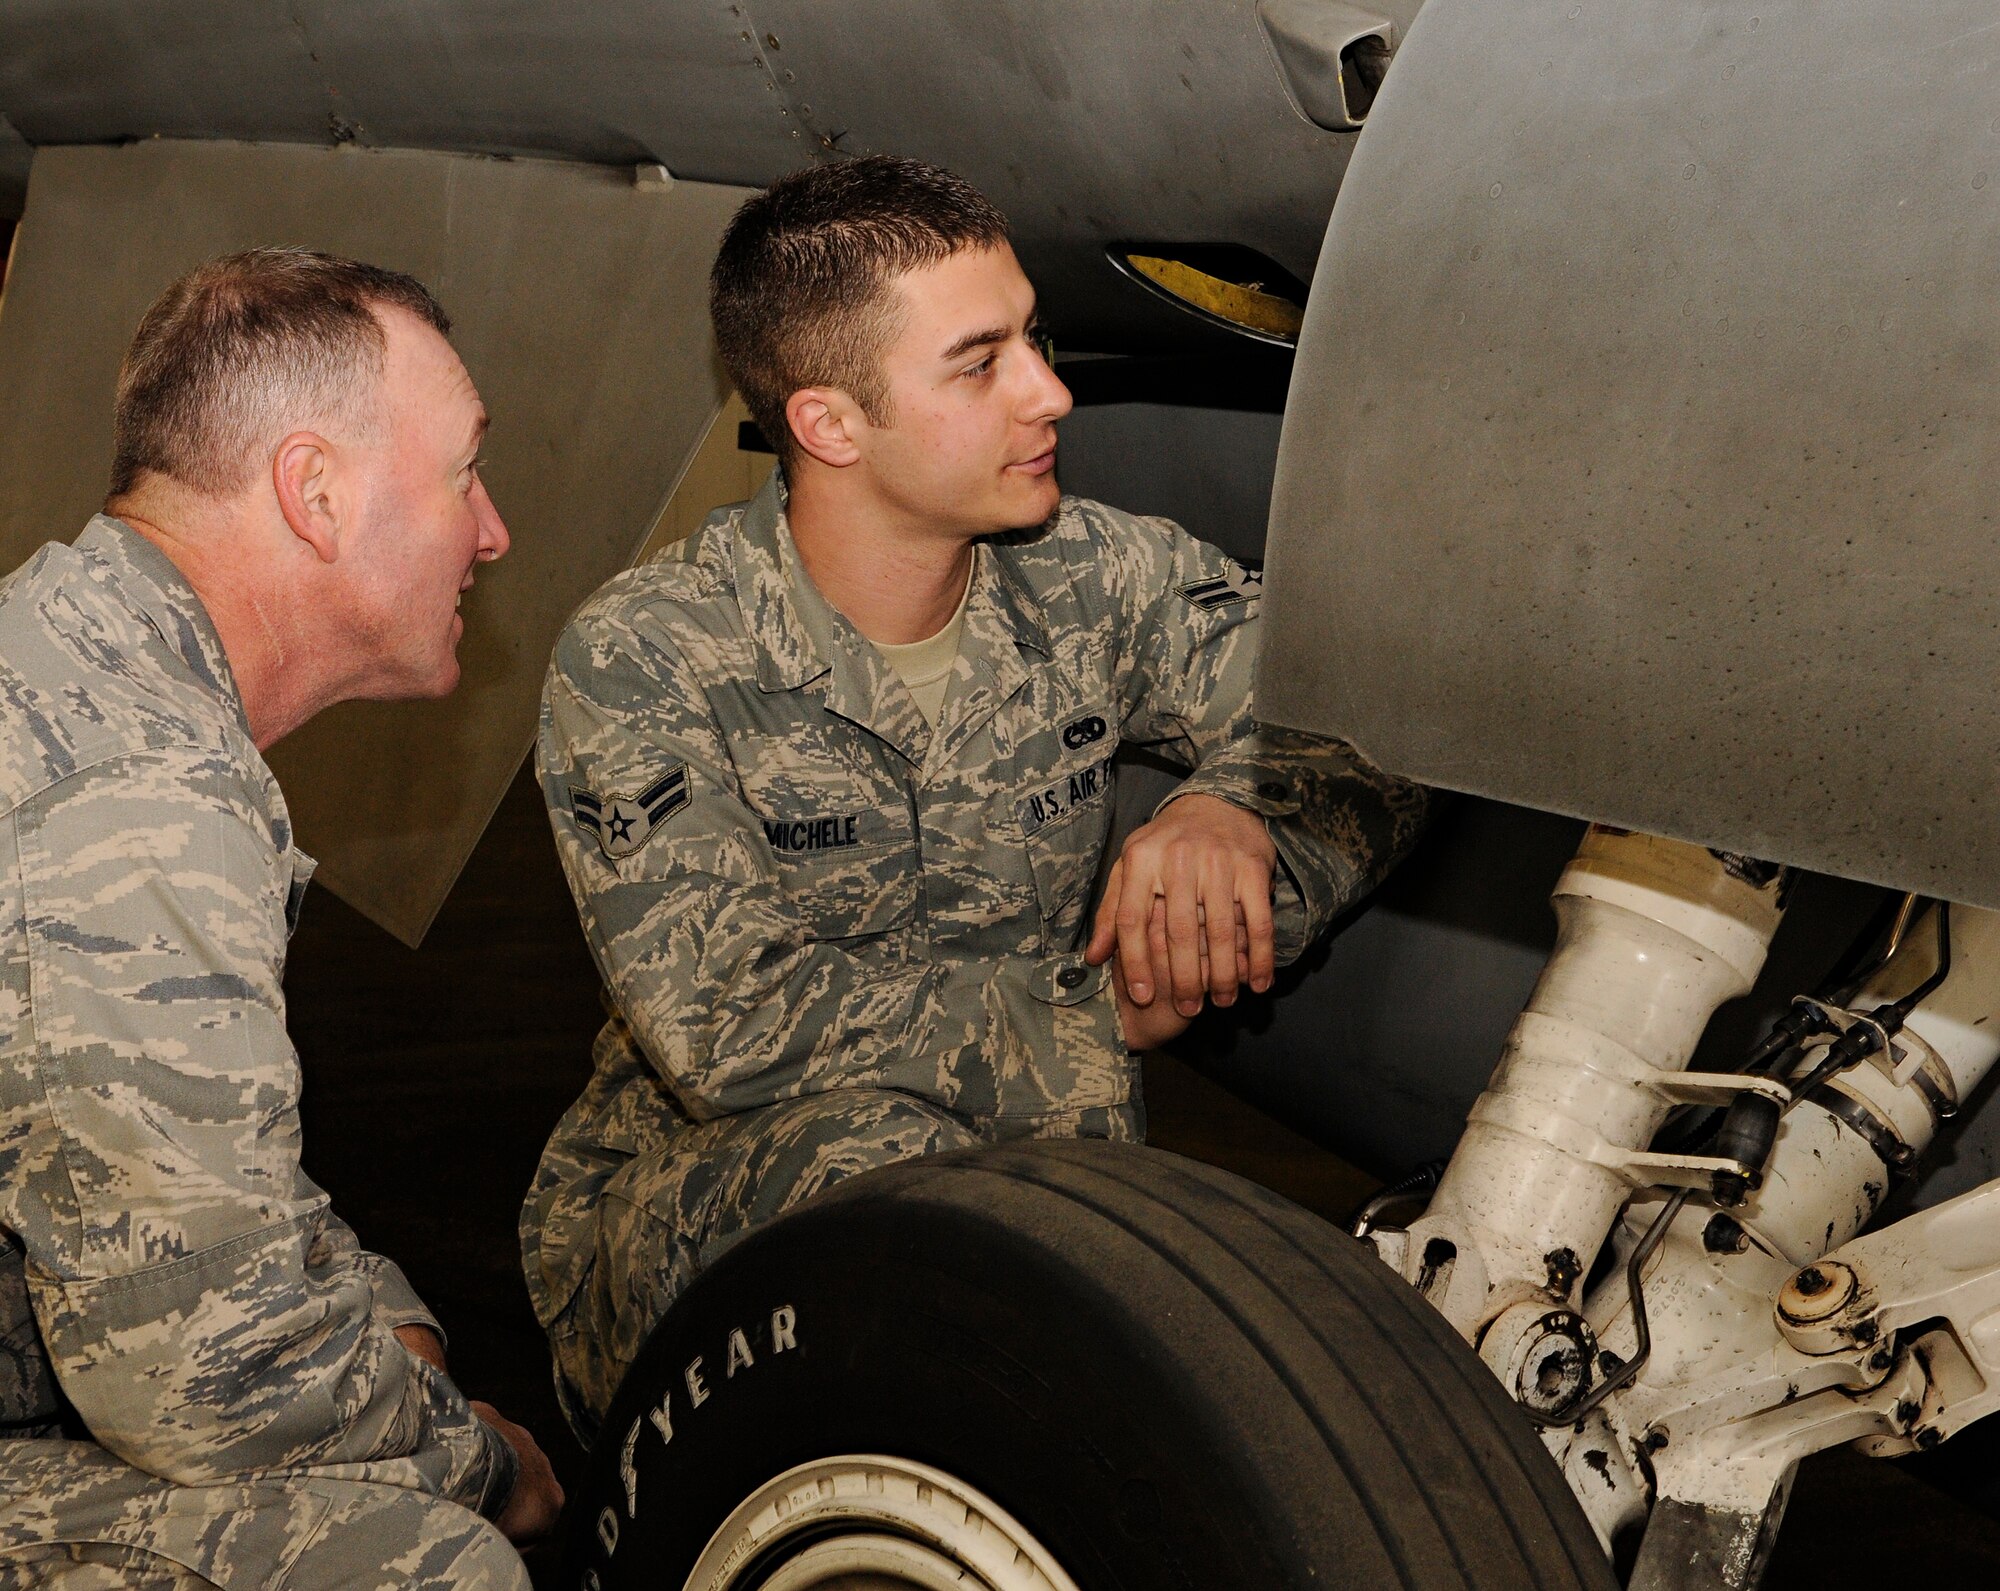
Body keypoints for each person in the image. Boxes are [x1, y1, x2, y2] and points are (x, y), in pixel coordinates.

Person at [523, 157, 1429, 1437]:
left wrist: (1232, 806)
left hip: (1030, 1173)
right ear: (830, 424)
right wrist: (1099, 1015)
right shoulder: (651, 654)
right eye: (979, 361)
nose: (1048, 391)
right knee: (936, 1222)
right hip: (702, 1203)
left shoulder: (1095, 577)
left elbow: (1369, 711)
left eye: (1034, 340)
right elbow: (728, 1020)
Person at [0, 249, 562, 1589]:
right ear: (316, 493)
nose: (492, 530)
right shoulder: (142, 794)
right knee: (429, 1566)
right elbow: (208, 1375)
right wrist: (474, 1460)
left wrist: (379, 1312)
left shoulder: (79, 654)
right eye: (462, 470)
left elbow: (202, 1168)